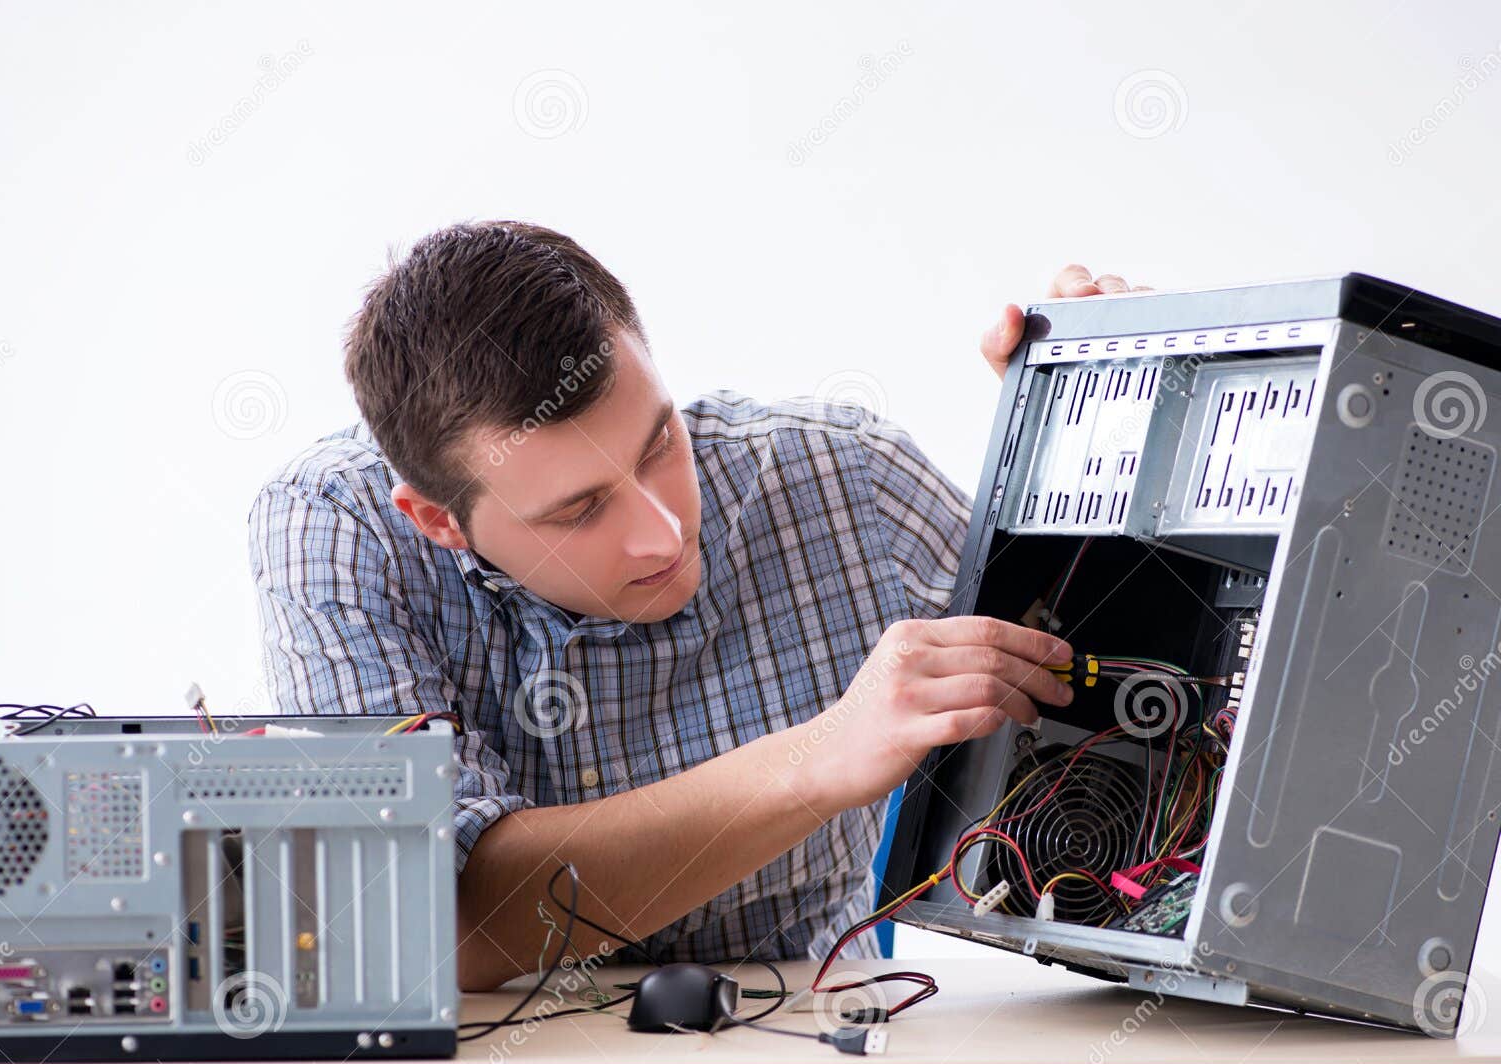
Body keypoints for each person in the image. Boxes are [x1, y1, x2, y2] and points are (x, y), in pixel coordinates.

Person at [248, 219, 1142, 989]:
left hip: (805, 1059)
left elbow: (1133, 691)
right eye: (579, 510)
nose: (664, 532)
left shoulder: (843, 479)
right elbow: (438, 924)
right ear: (440, 522)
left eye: (657, 443)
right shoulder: (333, 530)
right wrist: (816, 757)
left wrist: (1094, 448)